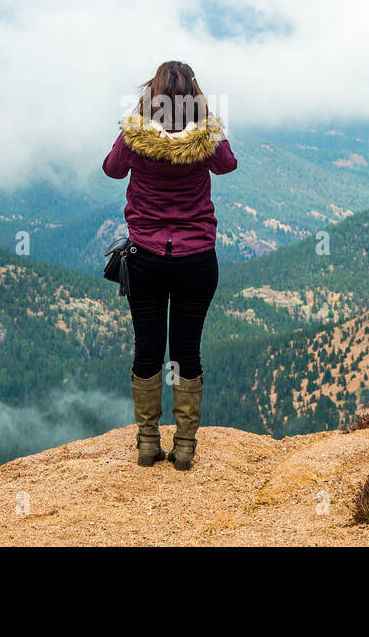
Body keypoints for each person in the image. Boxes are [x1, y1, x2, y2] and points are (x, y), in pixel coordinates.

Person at [102, 60, 238, 470]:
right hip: (197, 260)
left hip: (145, 259)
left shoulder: (135, 135)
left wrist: (134, 124)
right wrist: (208, 121)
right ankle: (184, 448)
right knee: (185, 352)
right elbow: (228, 163)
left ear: (152, 95)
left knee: (148, 350)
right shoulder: (206, 137)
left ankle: (147, 444)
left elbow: (112, 170)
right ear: (195, 98)